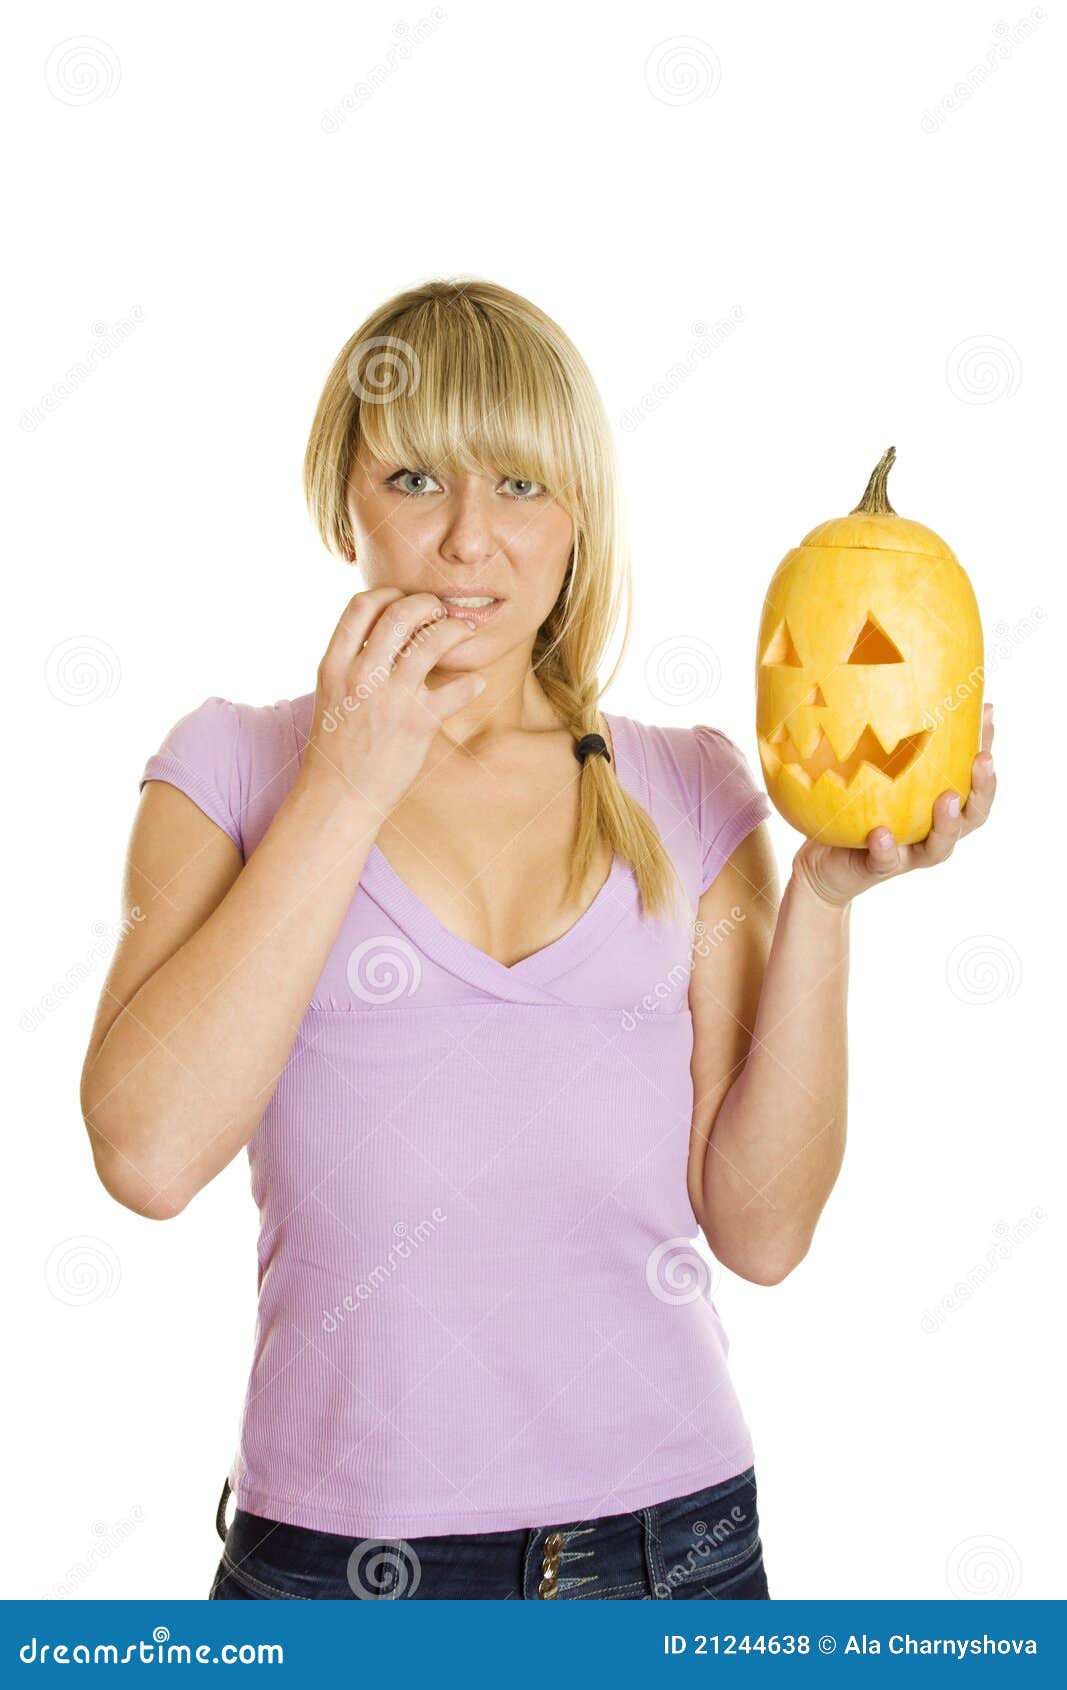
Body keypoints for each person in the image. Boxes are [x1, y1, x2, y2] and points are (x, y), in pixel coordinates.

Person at [79, 279, 997, 1601]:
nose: (468, 541)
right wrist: (348, 780)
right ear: (345, 494)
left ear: (578, 516)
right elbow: (147, 1153)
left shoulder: (690, 787)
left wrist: (826, 896)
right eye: (415, 477)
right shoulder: (228, 767)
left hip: (670, 1559)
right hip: (334, 1583)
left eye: (519, 485)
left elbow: (764, 1229)